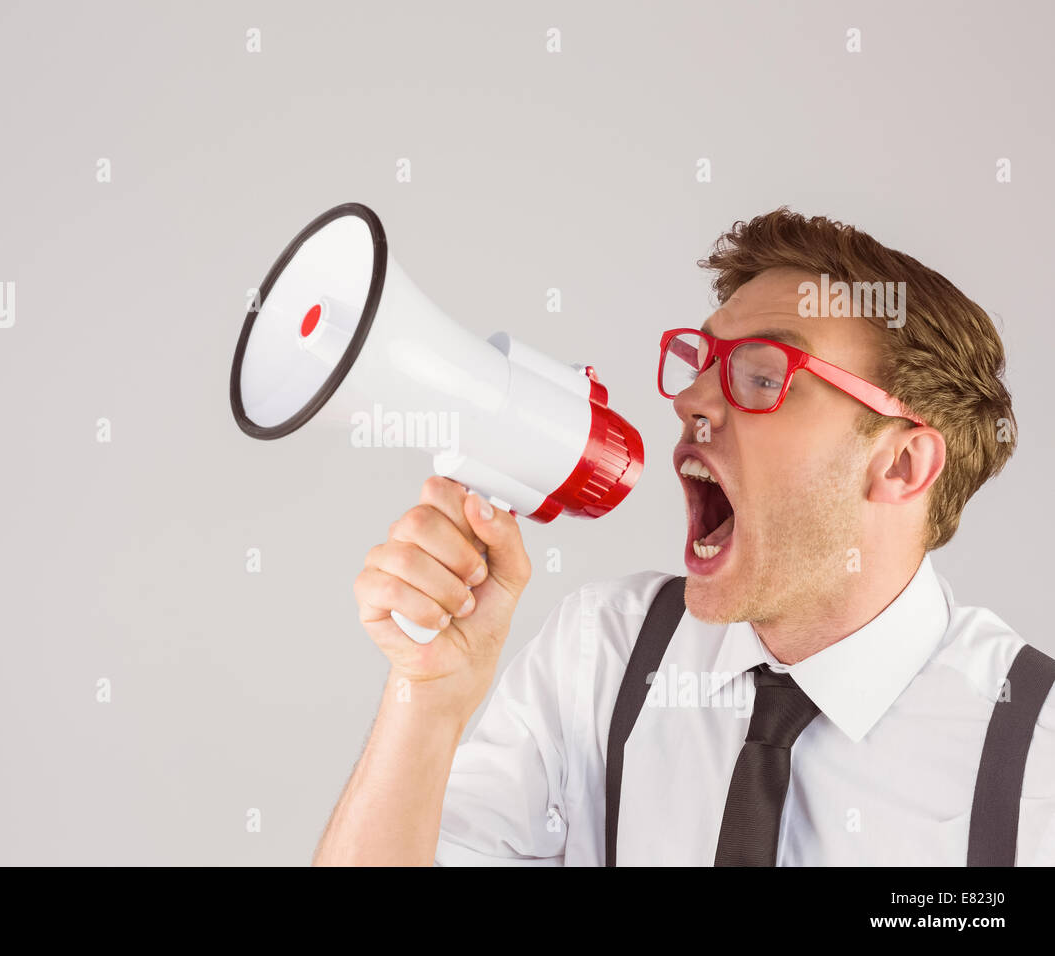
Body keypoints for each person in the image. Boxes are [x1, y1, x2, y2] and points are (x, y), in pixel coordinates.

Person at [312, 208, 1052, 866]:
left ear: (900, 463)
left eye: (764, 375)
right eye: (702, 362)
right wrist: (429, 696)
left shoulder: (1035, 744)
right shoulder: (603, 653)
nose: (693, 400)